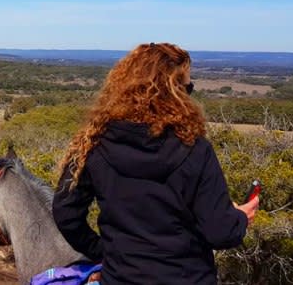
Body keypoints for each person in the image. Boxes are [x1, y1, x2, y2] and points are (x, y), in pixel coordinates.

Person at [52, 42, 259, 285]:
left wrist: (106, 251)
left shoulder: (92, 144)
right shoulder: (196, 150)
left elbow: (66, 213)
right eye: (188, 88)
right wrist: (239, 218)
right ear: (175, 94)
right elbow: (221, 233)